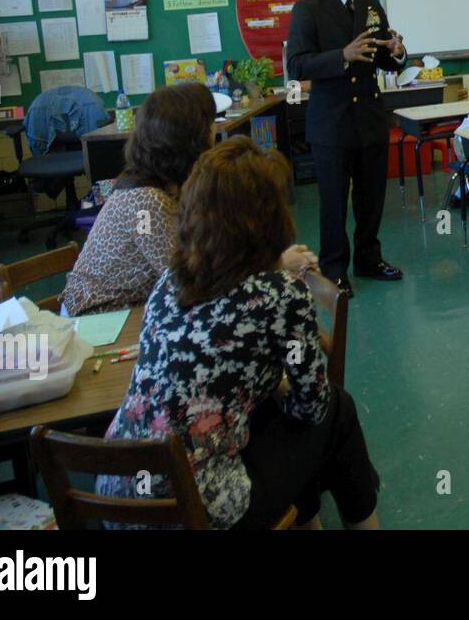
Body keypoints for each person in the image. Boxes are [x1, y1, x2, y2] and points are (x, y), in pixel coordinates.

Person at [97, 137, 379, 530]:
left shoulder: (169, 280)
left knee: (279, 418)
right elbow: (312, 407)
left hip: (118, 498)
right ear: (268, 218)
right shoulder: (280, 295)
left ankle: (308, 518)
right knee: (337, 411)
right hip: (193, 510)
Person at [286, 0, 406, 296]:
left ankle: (369, 260)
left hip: (369, 119)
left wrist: (398, 52)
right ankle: (335, 270)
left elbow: (383, 58)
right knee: (334, 202)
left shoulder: (371, 7)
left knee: (371, 198)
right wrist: (343, 55)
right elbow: (297, 65)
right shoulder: (307, 10)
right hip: (330, 123)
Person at [60, 84, 216, 316]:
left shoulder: (161, 184)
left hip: (125, 308)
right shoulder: (146, 202)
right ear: (188, 139)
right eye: (208, 125)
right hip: (99, 318)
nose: (213, 132)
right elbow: (187, 280)